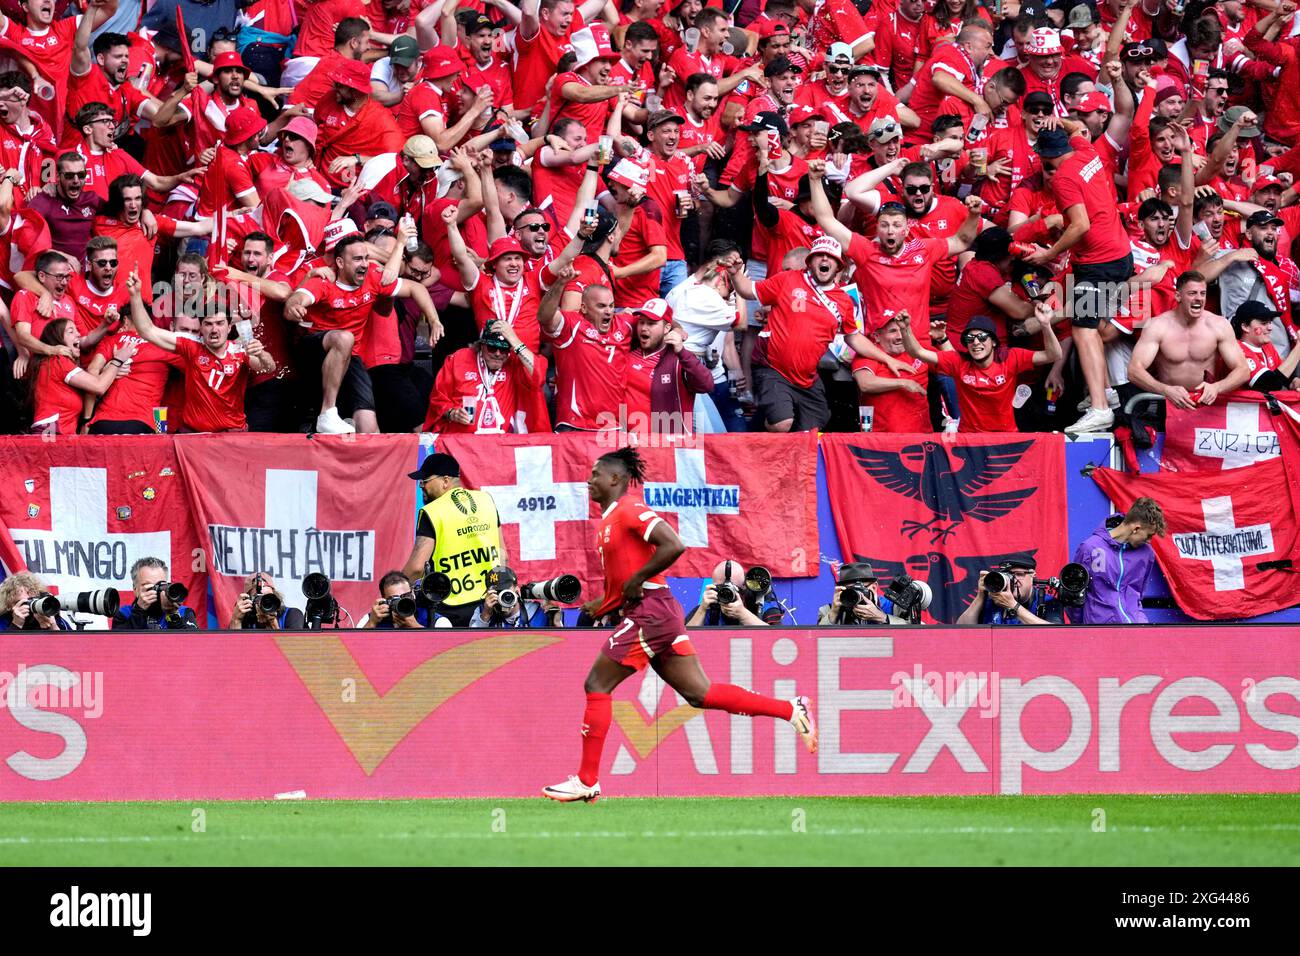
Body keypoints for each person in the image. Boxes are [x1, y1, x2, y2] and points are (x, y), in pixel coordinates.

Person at [542, 447, 816, 802]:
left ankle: (587, 780)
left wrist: (637, 579)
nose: (589, 480)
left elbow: (673, 545)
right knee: (700, 694)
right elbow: (627, 583)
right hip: (656, 613)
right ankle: (792, 709)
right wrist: (604, 604)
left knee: (597, 683)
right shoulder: (609, 521)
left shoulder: (630, 509)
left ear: (615, 479)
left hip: (651, 615)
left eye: (595, 474)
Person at [1029, 124, 1133, 434]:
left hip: (1099, 261)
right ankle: (1107, 393)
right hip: (1118, 252)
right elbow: (1078, 127)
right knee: (1086, 327)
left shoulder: (1062, 179)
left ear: (1046, 157)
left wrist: (1048, 255)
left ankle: (1100, 408)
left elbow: (1079, 226)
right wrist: (1058, 121)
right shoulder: (1086, 150)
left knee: (1084, 329)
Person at [123, 271, 275, 432]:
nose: (214, 329)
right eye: (208, 324)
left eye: (220, 323)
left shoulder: (240, 349)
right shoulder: (192, 346)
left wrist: (261, 353)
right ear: (201, 328)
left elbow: (268, 367)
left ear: (229, 327)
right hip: (194, 435)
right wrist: (135, 295)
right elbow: (147, 331)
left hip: (232, 433)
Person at [898, 308, 1061, 433]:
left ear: (994, 342)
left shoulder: (1010, 358)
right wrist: (905, 329)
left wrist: (1045, 324)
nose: (976, 342)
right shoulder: (958, 362)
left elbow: (1053, 355)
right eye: (970, 339)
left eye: (982, 337)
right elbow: (917, 352)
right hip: (970, 440)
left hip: (1005, 437)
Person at [401, 453, 507, 628]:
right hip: (490, 601)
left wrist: (398, 590)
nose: (421, 485)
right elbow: (503, 555)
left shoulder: (433, 511)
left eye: (425, 480)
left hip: (451, 607)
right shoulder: (486, 500)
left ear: (445, 480)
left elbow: (417, 568)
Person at [1126, 271, 1251, 411]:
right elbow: (1134, 371)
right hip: (1169, 405)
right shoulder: (1157, 326)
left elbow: (1243, 370)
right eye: (1192, 293)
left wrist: (1217, 387)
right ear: (1178, 296)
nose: (1199, 298)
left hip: (1207, 405)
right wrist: (1165, 390)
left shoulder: (1219, 325)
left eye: (1203, 293)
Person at [621, 298, 714, 436]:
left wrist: (682, 352)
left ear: (667, 328)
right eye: (641, 322)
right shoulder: (626, 354)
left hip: (665, 447)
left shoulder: (679, 360)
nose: (644, 328)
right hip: (626, 444)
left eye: (651, 324)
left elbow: (706, 384)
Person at [29, 318, 134, 435]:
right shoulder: (58, 361)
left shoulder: (54, 363)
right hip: (51, 431)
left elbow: (92, 383)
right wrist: (118, 360)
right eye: (71, 331)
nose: (78, 334)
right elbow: (98, 386)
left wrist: (109, 369)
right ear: (57, 338)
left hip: (57, 432)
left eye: (77, 330)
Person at [1073, 497, 1166, 625]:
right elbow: (1074, 598)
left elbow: (1138, 594)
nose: (1149, 541)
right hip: (1098, 632)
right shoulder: (1089, 548)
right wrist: (1083, 630)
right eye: (1149, 535)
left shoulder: (1147, 553)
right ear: (1136, 529)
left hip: (1136, 630)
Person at [955, 554, 1065, 625]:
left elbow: (1056, 634)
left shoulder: (1048, 601)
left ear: (1033, 575)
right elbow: (962, 630)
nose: (1014, 580)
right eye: (1008, 575)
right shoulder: (992, 600)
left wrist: (1013, 606)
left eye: (1018, 574)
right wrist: (980, 597)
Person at [111, 557, 197, 630]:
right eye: (148, 586)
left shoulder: (184, 612)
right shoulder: (124, 614)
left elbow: (191, 646)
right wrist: (139, 611)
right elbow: (120, 646)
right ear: (135, 589)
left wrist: (172, 615)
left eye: (160, 585)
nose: (156, 590)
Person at [1233, 301, 1300, 391]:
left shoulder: (1266, 345)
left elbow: (1285, 377)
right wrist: (1298, 348)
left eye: (1270, 322)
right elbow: (1269, 384)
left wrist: (1295, 382)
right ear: (1245, 327)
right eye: (1264, 323)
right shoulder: (1237, 349)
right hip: (1239, 405)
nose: (1270, 328)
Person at [815, 563, 905, 625]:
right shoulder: (828, 610)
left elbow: (915, 634)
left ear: (874, 587)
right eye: (851, 589)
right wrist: (834, 613)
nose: (857, 594)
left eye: (861, 588)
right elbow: (817, 641)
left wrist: (882, 618)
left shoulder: (893, 607)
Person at [685, 560, 768, 627]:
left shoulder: (758, 604)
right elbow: (685, 638)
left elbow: (775, 637)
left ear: (745, 586)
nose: (727, 594)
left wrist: (743, 614)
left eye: (734, 589)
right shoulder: (708, 608)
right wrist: (702, 609)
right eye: (721, 588)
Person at [363, 570, 451, 629]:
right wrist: (372, 623)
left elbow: (446, 652)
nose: (402, 602)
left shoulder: (438, 621)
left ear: (413, 594)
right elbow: (355, 648)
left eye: (406, 596)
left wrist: (414, 626)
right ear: (384, 600)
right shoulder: (370, 619)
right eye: (394, 599)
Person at [227, 572, 306, 630]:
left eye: (268, 597)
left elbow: (290, 650)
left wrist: (272, 623)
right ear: (248, 600)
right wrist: (236, 620)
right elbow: (234, 649)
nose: (263, 601)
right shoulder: (246, 620)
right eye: (257, 597)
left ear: (275, 596)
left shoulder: (291, 615)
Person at [0, 571, 70, 631]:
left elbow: (72, 645)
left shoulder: (51, 617)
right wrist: (16, 625)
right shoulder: (3, 621)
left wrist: (53, 627)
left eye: (32, 600)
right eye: (24, 602)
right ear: (9, 605)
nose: (29, 605)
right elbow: (3, 646)